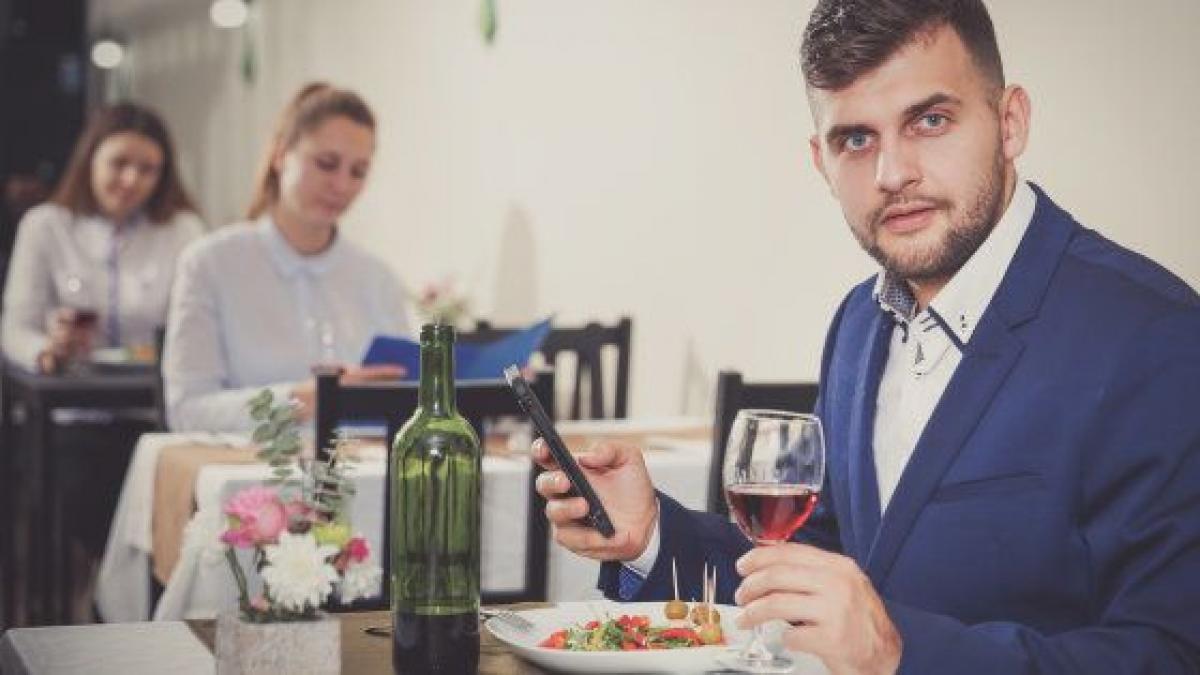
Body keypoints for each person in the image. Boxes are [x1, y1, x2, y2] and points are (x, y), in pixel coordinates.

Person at [533, 1, 1200, 673]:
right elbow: (817, 567)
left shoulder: (1157, 336)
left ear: (1010, 122)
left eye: (930, 120)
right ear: (820, 160)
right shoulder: (858, 321)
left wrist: (901, 652)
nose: (891, 174)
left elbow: (1174, 652)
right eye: (855, 139)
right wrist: (652, 532)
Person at [163, 83, 409, 433]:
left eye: (358, 172)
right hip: (249, 475)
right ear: (281, 156)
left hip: (362, 474)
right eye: (326, 164)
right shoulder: (210, 264)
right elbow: (187, 410)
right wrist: (308, 399)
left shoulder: (377, 277)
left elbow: (402, 399)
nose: (341, 185)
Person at [1, 103, 203, 373]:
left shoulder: (184, 230)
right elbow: (14, 329)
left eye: (147, 170)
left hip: (155, 399)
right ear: (90, 160)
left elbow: (202, 326)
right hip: (71, 398)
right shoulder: (45, 226)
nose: (131, 180)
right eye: (119, 163)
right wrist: (47, 350)